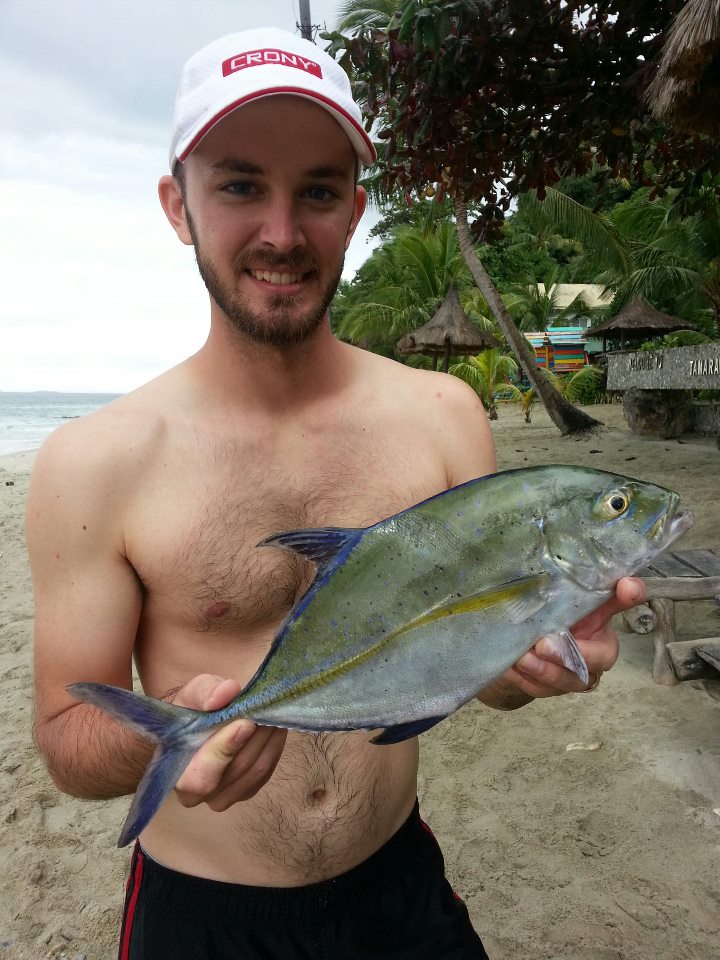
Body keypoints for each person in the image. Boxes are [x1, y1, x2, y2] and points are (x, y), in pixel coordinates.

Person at [28, 26, 645, 960]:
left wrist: (537, 669)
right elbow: (70, 740)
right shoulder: (94, 462)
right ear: (177, 205)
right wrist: (171, 737)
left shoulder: (444, 414)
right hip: (203, 918)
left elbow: (476, 670)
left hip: (397, 887)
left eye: (317, 190)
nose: (282, 232)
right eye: (240, 184)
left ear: (355, 209)